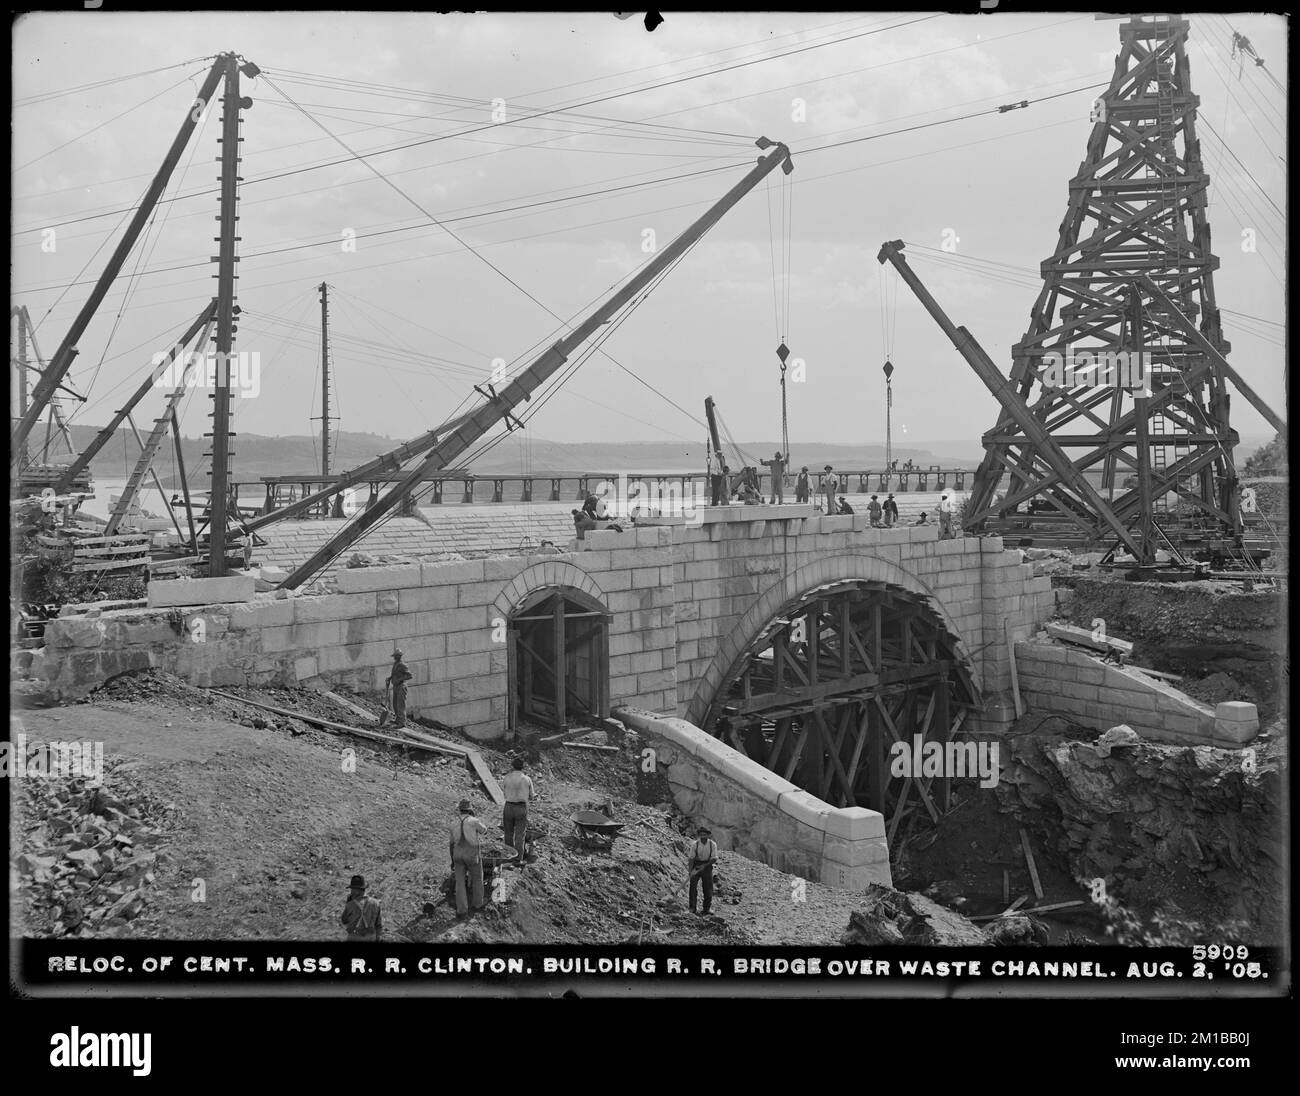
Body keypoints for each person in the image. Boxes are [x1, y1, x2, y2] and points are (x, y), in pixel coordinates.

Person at [448, 799, 490, 917]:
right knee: (477, 878)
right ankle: (477, 904)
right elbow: (484, 831)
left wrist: (452, 860)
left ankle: (462, 909)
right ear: (470, 809)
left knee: (459, 882)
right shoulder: (474, 821)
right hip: (471, 854)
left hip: (457, 854)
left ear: (459, 810)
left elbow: (451, 844)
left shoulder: (453, 823)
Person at [501, 757, 536, 864]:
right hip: (521, 807)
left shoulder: (506, 778)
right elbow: (532, 796)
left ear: (512, 766)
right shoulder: (527, 779)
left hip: (508, 806)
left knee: (508, 832)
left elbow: (504, 793)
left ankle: (508, 855)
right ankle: (517, 858)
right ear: (523, 767)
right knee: (520, 834)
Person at [340, 874, 383, 941]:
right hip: (371, 938)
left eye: (352, 889)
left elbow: (344, 920)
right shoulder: (376, 903)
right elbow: (379, 925)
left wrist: (348, 903)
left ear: (356, 890)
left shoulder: (350, 905)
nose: (351, 891)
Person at [688, 826, 718, 915]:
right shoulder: (695, 844)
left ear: (708, 835)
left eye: (704, 835)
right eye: (701, 835)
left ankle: (706, 909)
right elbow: (691, 858)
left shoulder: (712, 845)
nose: (703, 836)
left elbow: (714, 859)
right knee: (693, 887)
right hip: (696, 865)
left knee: (708, 888)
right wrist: (690, 871)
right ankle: (692, 908)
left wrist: (704, 866)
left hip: (707, 866)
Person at [386, 648, 413, 729]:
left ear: (399, 656)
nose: (394, 657)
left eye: (396, 656)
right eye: (394, 656)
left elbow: (409, 675)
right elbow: (395, 674)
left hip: (401, 686)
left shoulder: (402, 665)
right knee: (395, 704)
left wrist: (399, 679)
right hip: (396, 686)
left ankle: (402, 723)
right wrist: (390, 678)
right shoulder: (395, 664)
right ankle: (397, 720)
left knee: (400, 704)